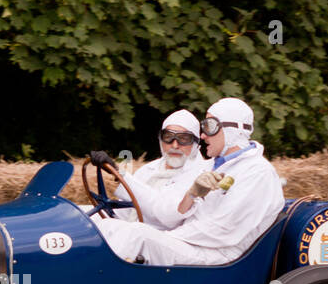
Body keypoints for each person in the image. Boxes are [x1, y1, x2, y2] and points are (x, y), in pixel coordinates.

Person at [92, 97, 285, 266]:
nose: (203, 135)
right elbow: (165, 207)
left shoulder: (257, 172)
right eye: (203, 127)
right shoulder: (213, 167)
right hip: (195, 243)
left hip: (220, 255)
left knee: (136, 235)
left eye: (209, 127)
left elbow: (224, 229)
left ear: (233, 130)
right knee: (107, 226)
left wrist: (167, 237)